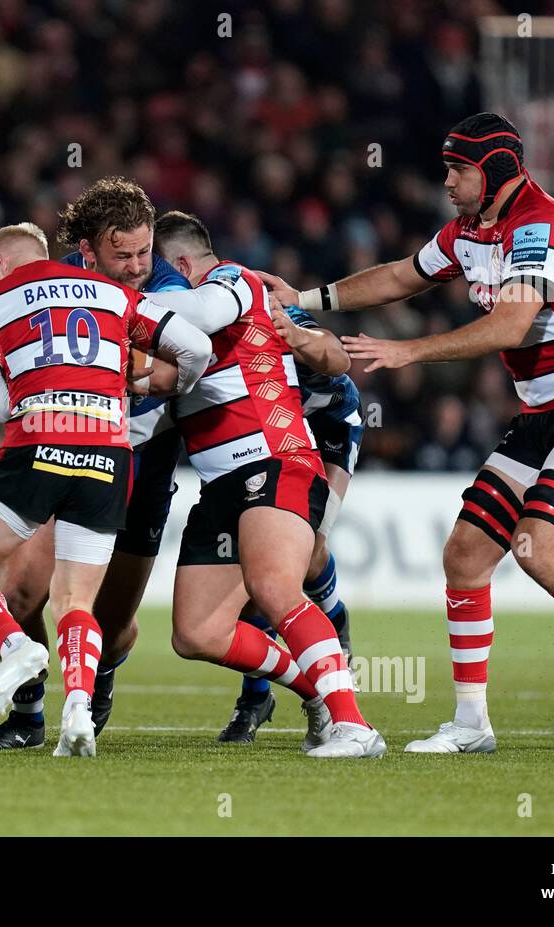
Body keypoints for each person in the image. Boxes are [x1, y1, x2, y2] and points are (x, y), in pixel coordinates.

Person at [260, 113, 554, 751]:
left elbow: (511, 325)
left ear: (493, 170)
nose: (448, 181)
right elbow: (403, 275)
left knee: (536, 547)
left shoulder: (537, 224)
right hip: (543, 415)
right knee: (465, 555)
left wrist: (409, 352)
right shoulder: (470, 229)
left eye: (459, 169)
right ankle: (471, 724)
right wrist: (309, 297)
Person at [0, 222, 210, 757]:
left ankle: (14, 647)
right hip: (111, 455)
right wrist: (159, 384)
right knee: (75, 601)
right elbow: (196, 347)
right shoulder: (116, 296)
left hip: (40, 442)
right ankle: (77, 710)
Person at [146, 211, 384, 758]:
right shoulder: (176, 330)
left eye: (152, 269)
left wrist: (299, 336)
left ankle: (354, 725)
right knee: (196, 633)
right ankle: (316, 688)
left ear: (181, 266)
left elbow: (338, 357)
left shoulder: (234, 282)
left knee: (278, 583)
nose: (145, 282)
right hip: (220, 483)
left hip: (279, 456)